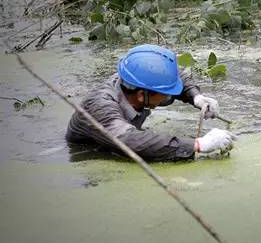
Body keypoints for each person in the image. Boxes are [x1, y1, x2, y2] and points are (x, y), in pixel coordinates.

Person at [66, 44, 236, 161]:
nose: (170, 96)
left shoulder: (132, 79)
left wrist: (196, 97)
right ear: (141, 95)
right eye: (165, 94)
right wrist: (198, 145)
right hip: (93, 156)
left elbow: (177, 78)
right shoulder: (101, 107)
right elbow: (131, 140)